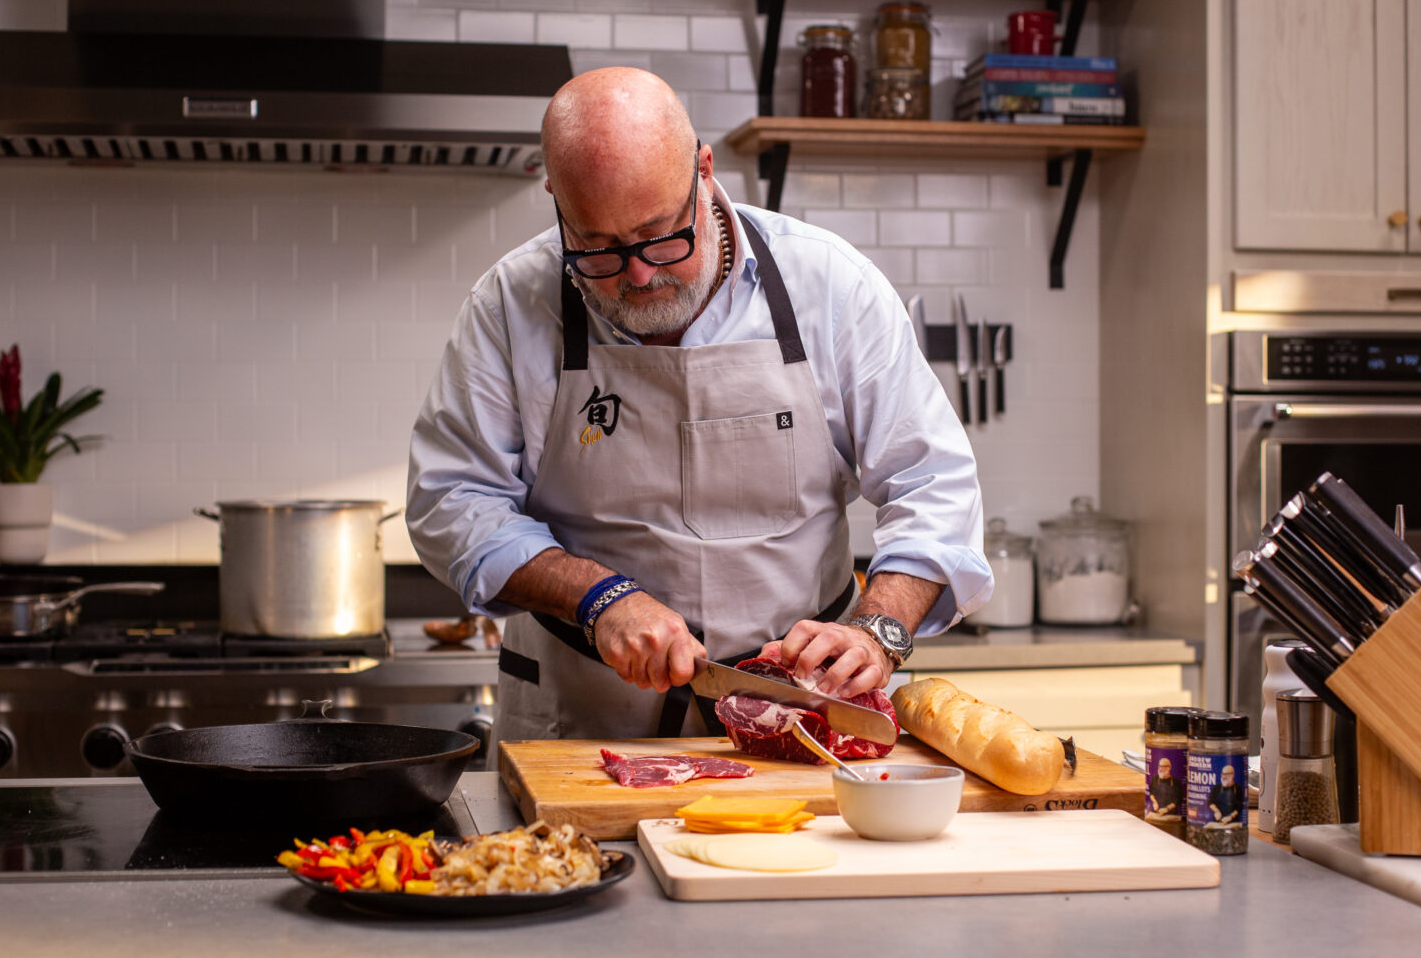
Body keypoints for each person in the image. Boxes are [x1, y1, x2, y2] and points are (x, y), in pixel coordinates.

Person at [407, 67, 991, 744]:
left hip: (798, 708)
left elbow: (933, 482)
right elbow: (450, 500)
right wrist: (597, 596)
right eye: (596, 246)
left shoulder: (830, 286)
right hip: (581, 715)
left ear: (705, 173)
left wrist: (876, 629)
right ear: (556, 201)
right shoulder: (510, 305)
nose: (639, 274)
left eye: (661, 235)